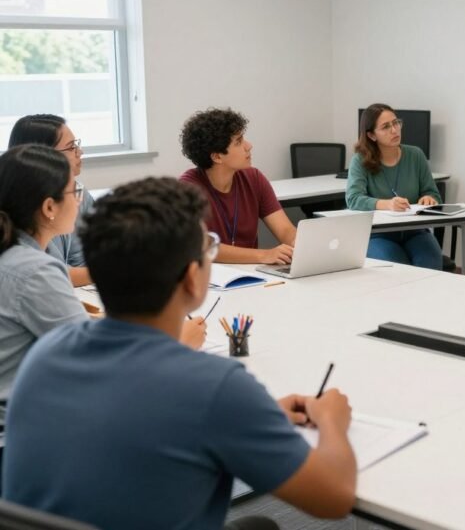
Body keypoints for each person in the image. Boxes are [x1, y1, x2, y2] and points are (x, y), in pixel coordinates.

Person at [2, 178, 357, 530]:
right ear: (192, 278)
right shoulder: (215, 386)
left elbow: (134, 414)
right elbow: (334, 497)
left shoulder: (46, 355)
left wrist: (254, 416)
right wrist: (331, 421)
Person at [0, 145, 90, 458]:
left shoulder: (12, 256)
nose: (79, 200)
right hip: (16, 442)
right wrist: (175, 340)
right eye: (73, 191)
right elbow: (95, 360)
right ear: (49, 207)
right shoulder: (35, 270)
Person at [180, 108, 297, 264]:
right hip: (211, 279)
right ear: (217, 156)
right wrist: (264, 255)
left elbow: (286, 231)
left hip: (253, 276)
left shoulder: (254, 178)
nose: (248, 146)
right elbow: (203, 246)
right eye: (238, 142)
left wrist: (305, 247)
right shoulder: (188, 189)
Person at [347, 103, 443, 270]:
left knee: (431, 264)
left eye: (396, 123)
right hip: (377, 235)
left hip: (415, 231)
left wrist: (429, 198)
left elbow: (433, 193)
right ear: (371, 135)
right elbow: (353, 199)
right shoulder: (360, 160)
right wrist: (387, 204)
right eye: (385, 127)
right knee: (400, 270)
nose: (394, 130)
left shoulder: (415, 155)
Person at [8, 114, 94, 286]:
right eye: (71, 148)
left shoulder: (77, 191)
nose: (80, 152)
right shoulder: (24, 205)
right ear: (42, 156)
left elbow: (84, 258)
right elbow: (49, 275)